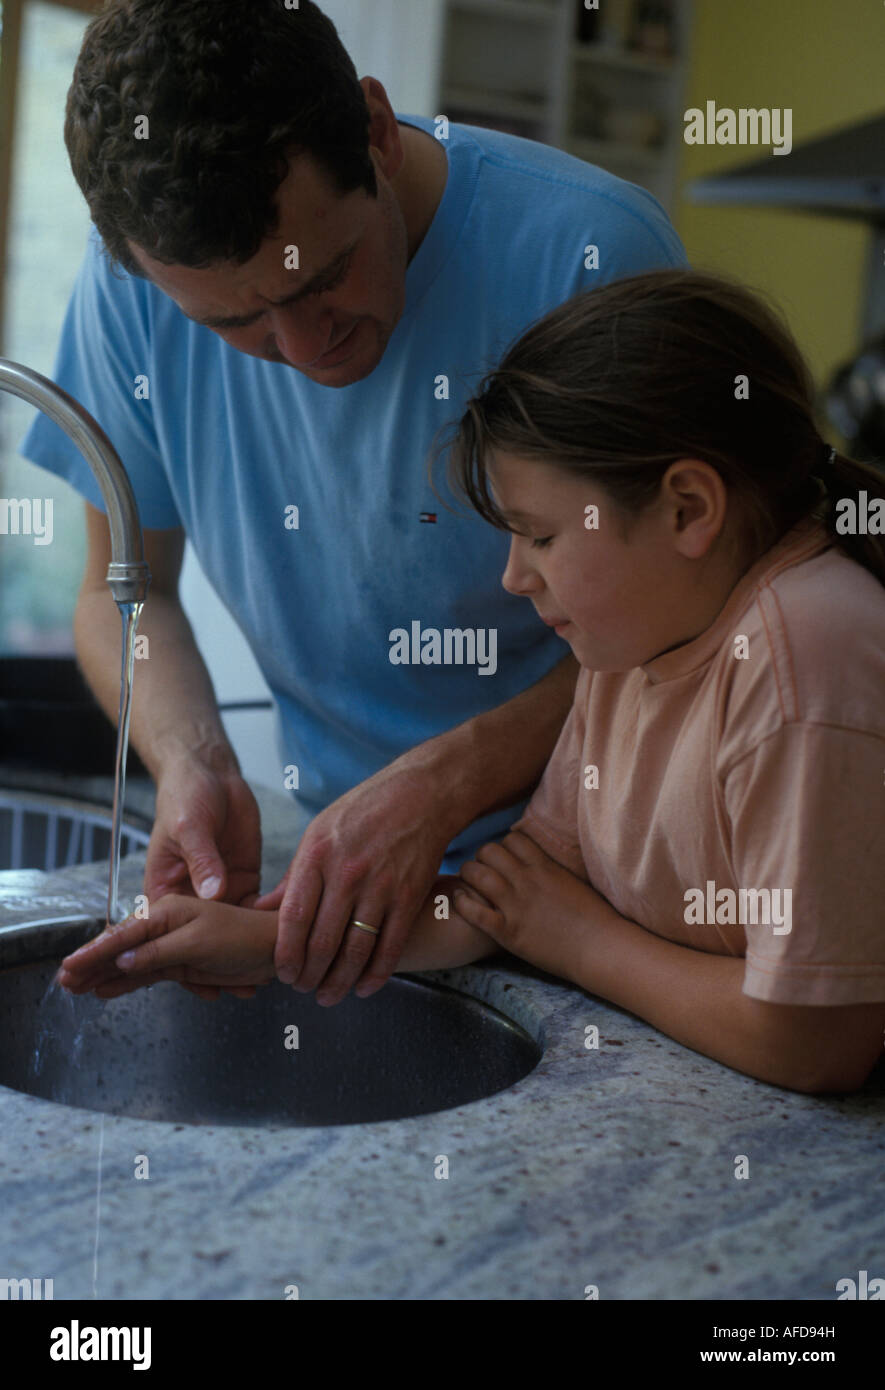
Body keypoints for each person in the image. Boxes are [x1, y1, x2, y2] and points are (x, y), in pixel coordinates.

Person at [60, 269, 885, 1094]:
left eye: (541, 536)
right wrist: (258, 939)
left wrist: (580, 941)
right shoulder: (636, 635)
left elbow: (815, 1040)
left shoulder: (802, 653)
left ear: (686, 509)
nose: (515, 578)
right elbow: (512, 898)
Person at [21, 0, 686, 1007]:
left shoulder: (589, 257)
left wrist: (443, 784)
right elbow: (126, 593)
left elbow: (687, 637)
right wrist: (190, 755)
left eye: (324, 278)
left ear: (376, 130)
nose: (303, 349)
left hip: (609, 889)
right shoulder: (128, 294)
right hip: (350, 891)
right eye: (235, 322)